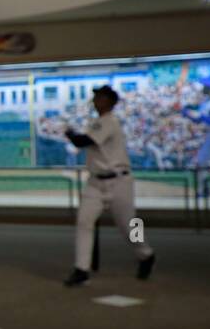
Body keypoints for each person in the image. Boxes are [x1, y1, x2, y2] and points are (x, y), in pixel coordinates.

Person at [63, 85, 155, 286]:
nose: (95, 100)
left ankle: (146, 253)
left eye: (100, 97)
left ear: (110, 102)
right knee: (84, 222)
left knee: (130, 225)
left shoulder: (109, 121)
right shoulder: (98, 122)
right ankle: (81, 269)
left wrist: (69, 132)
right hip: (95, 182)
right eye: (96, 97)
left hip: (119, 181)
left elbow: (81, 141)